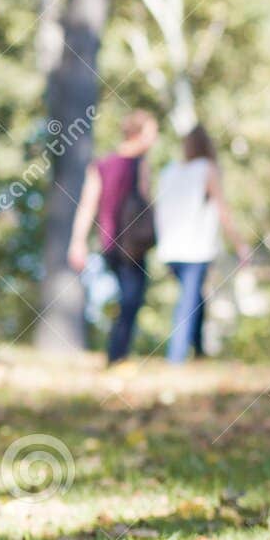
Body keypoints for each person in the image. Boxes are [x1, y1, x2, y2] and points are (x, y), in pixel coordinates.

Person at [67, 110, 158, 366]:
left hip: (110, 242)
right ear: (138, 134)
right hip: (132, 243)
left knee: (127, 296)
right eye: (152, 132)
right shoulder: (139, 164)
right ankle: (117, 354)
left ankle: (117, 353)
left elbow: (87, 205)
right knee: (132, 297)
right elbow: (145, 203)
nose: (154, 138)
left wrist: (79, 241)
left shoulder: (101, 165)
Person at [152, 125, 249, 364]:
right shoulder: (207, 169)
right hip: (196, 248)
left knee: (195, 296)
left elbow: (157, 209)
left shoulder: (168, 171)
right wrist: (240, 245)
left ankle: (199, 351)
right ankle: (176, 357)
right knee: (188, 299)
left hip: (170, 247)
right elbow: (222, 210)